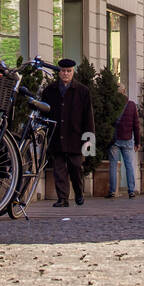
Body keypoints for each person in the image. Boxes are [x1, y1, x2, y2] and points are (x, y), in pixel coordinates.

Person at [41, 58, 95, 208]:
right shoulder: (49, 91)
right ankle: (62, 198)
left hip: (75, 136)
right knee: (59, 170)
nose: (65, 74)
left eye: (69, 71)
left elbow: (88, 117)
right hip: (56, 135)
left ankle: (78, 193)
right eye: (63, 71)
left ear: (73, 72)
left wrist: (89, 141)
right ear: (59, 72)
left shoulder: (83, 91)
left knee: (76, 168)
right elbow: (44, 114)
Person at [108, 83, 141, 199]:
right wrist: (138, 142)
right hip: (127, 139)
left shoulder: (111, 104)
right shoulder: (131, 105)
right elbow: (136, 125)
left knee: (113, 165)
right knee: (129, 165)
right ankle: (131, 191)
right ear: (124, 91)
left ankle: (112, 191)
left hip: (115, 139)